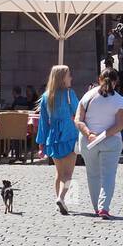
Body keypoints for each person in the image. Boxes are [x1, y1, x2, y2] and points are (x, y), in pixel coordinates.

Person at [73, 68, 123, 219]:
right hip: (110, 141)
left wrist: (89, 133)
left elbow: (78, 119)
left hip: (88, 141)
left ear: (99, 79)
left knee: (93, 175)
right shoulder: (119, 100)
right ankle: (103, 207)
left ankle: (96, 207)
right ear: (116, 82)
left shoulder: (88, 96)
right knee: (108, 175)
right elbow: (120, 124)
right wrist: (104, 135)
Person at [37, 65, 79, 215]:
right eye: (69, 75)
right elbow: (78, 112)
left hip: (53, 137)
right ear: (62, 78)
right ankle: (61, 198)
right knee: (68, 174)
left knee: (59, 173)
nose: (71, 78)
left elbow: (43, 122)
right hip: (69, 135)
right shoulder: (70, 93)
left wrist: (41, 143)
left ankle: (58, 200)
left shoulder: (46, 96)